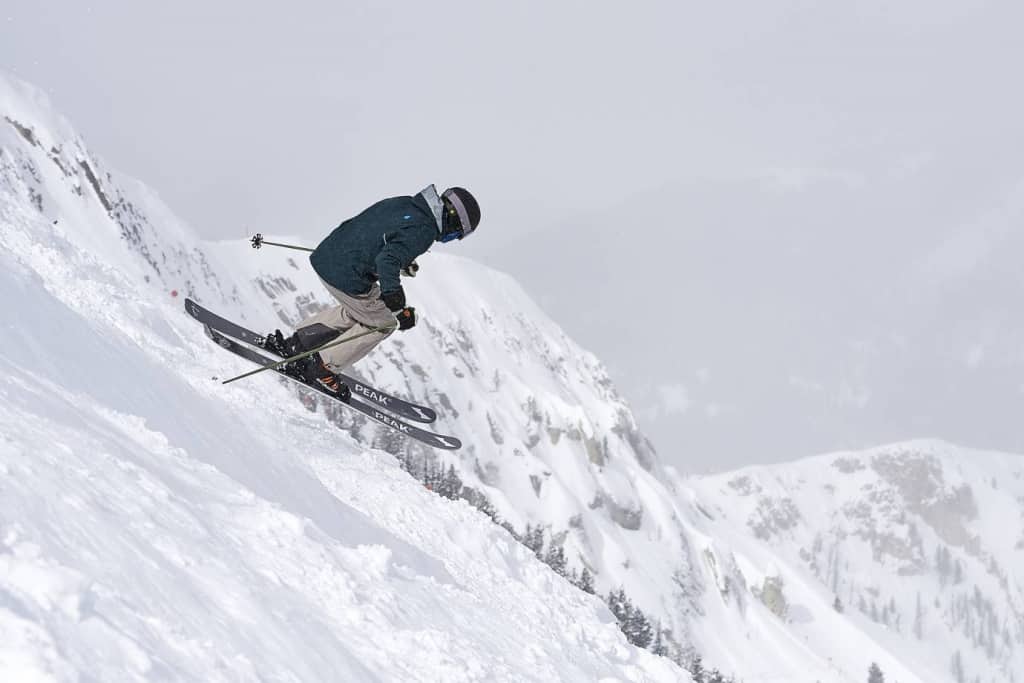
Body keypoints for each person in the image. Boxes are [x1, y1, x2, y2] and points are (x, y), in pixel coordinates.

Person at [263, 184, 481, 400]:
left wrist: (403, 262)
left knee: (360, 311)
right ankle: (322, 368)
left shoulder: (407, 202)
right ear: (452, 220)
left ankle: (296, 344)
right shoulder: (426, 230)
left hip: (328, 254)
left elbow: (378, 233)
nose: (449, 238)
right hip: (347, 274)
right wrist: (397, 305)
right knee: (382, 323)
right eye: (456, 234)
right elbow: (387, 260)